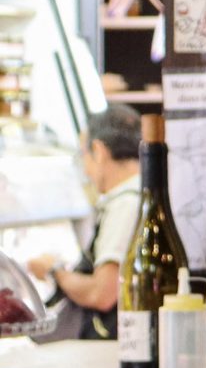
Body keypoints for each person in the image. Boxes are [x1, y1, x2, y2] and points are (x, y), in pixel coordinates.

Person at [29, 105, 145, 342]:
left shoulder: (125, 205)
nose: (86, 170)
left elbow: (103, 293)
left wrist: (55, 271)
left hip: (115, 349)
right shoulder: (144, 195)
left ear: (99, 150)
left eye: (82, 155)